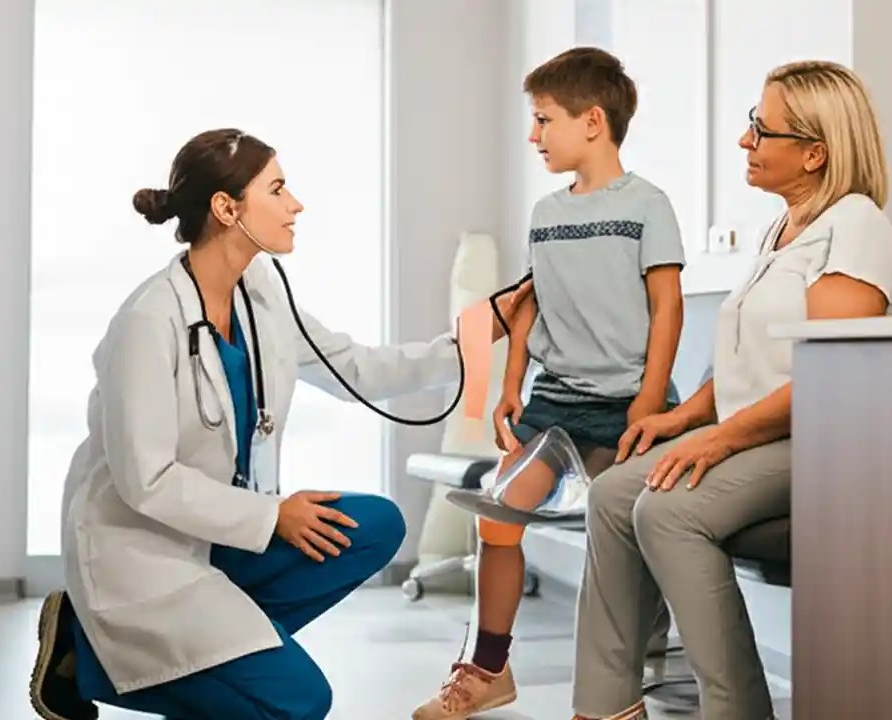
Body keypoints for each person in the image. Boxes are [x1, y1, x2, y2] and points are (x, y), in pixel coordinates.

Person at [26, 128, 530, 720]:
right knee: (300, 702)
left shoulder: (259, 295)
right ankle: (86, 657)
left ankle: (218, 661)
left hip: (218, 538)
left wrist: (479, 331)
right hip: (142, 556)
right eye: (278, 189)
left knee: (371, 526)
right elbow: (147, 481)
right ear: (226, 208)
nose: (296, 205)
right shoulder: (148, 321)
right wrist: (273, 515)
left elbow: (357, 367)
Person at [570, 60, 892, 720]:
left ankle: (737, 711)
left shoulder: (856, 226)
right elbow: (748, 363)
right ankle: (608, 708)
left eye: (762, 128)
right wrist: (686, 419)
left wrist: (719, 438)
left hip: (827, 442)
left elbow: (828, 378)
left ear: (815, 152)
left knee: (667, 510)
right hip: (767, 434)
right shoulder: (785, 230)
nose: (744, 141)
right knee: (614, 493)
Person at [413, 47, 685, 719]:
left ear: (592, 121)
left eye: (543, 121)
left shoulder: (648, 206)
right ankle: (487, 669)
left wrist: (650, 398)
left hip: (631, 406)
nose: (533, 137)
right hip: (554, 406)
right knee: (499, 518)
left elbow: (668, 305)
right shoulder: (545, 212)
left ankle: (621, 691)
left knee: (623, 533)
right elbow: (531, 301)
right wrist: (511, 385)